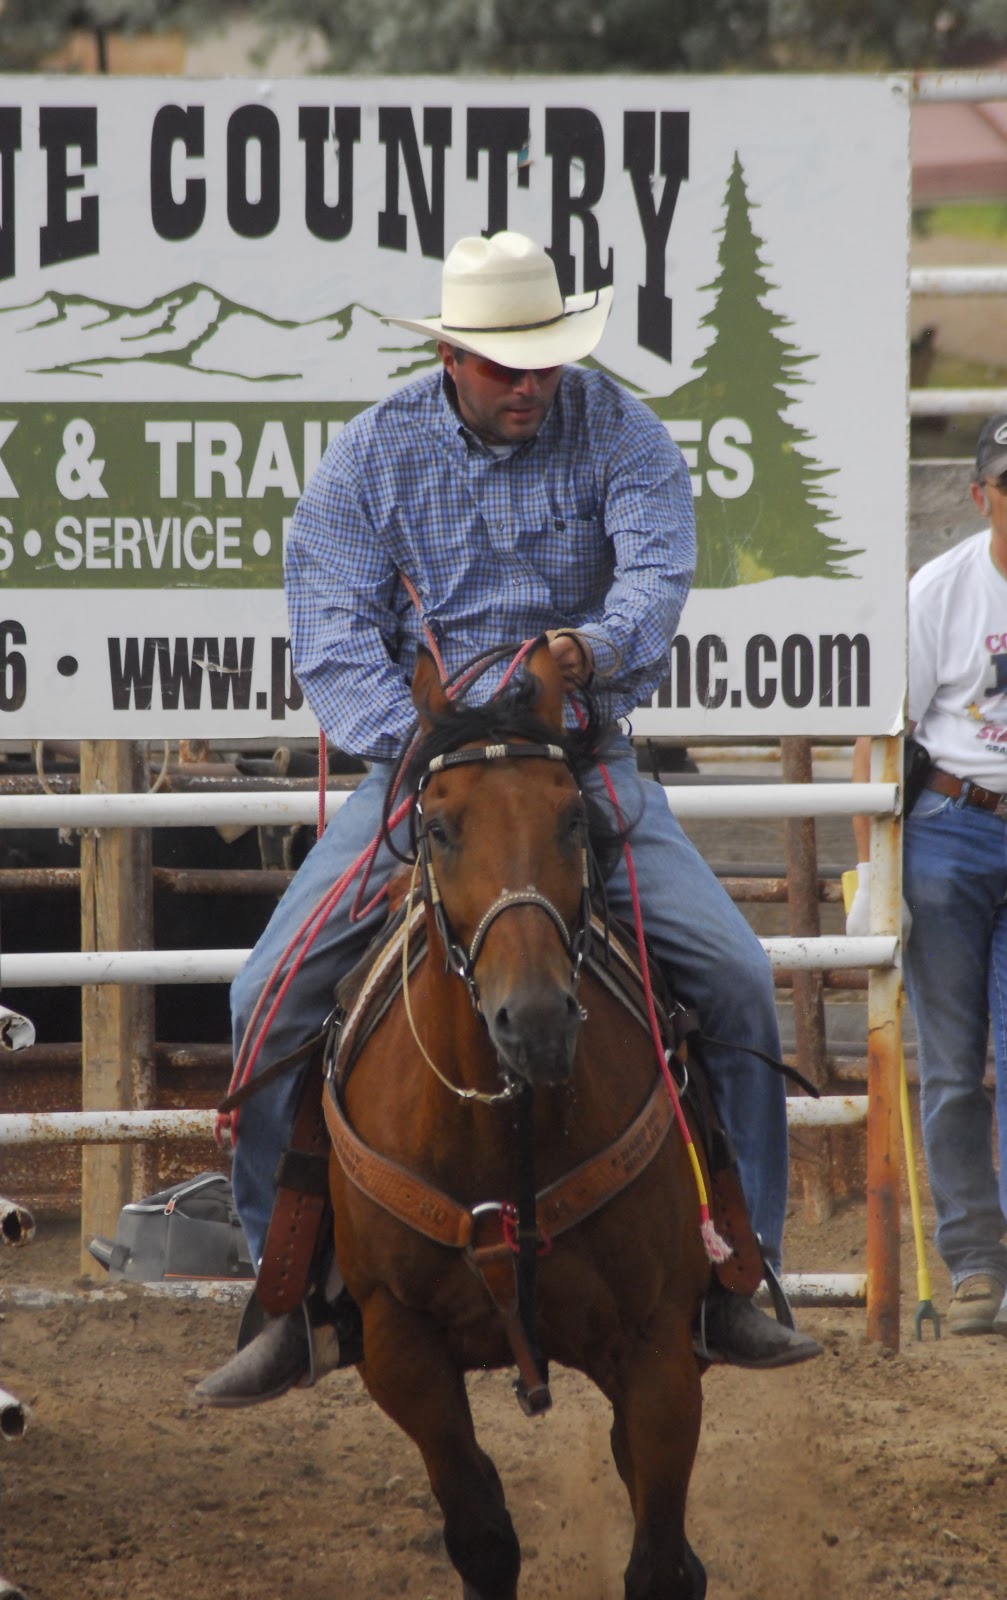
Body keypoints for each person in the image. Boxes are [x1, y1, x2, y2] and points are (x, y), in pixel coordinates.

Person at [194, 230, 821, 1406]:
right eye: (503, 366)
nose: (530, 386)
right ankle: (290, 1289)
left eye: (542, 365)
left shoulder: (620, 431)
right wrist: (430, 746)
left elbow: (655, 574)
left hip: (583, 767)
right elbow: (330, 630)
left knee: (734, 977)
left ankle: (736, 1268)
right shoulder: (370, 459)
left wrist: (588, 648)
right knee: (261, 997)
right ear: (450, 354)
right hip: (425, 779)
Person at [847, 413, 1007, 1338]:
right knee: (952, 1065)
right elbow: (886, 723)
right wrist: (879, 853)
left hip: (957, 821)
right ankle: (976, 1260)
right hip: (953, 823)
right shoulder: (938, 591)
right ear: (981, 495)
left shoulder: (944, 588)